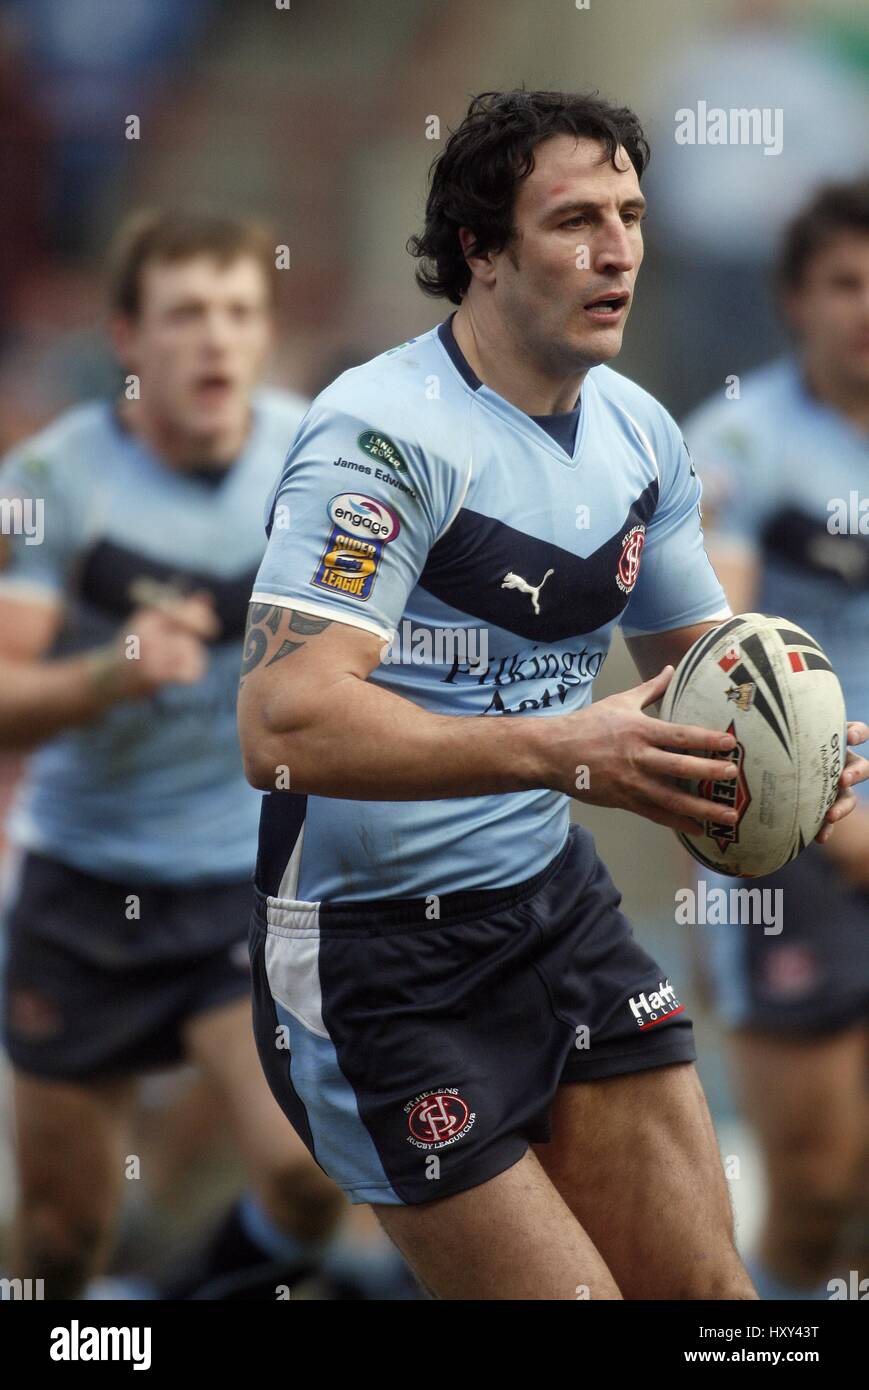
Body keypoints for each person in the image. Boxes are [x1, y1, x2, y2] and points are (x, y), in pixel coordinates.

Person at [237, 89, 868, 1302]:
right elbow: (280, 724)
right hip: (379, 954)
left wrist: (791, 770)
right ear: (480, 249)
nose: (618, 247)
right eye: (575, 218)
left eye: (630, 215)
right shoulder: (378, 436)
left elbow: (711, 682)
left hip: (552, 909)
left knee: (713, 1310)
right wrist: (561, 751)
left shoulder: (637, 433)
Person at [0, 210, 348, 1299]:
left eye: (239, 313)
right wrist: (113, 670)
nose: (214, 341)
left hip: (236, 891)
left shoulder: (318, 457)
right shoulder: (54, 477)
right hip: (80, 888)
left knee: (308, 1177)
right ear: (126, 338)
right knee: (62, 1243)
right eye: (186, 314)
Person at [683, 178, 869, 1300]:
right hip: (797, 831)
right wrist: (837, 826)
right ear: (793, 300)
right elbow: (722, 662)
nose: (865, 308)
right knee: (812, 1185)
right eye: (842, 284)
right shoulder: (737, 446)